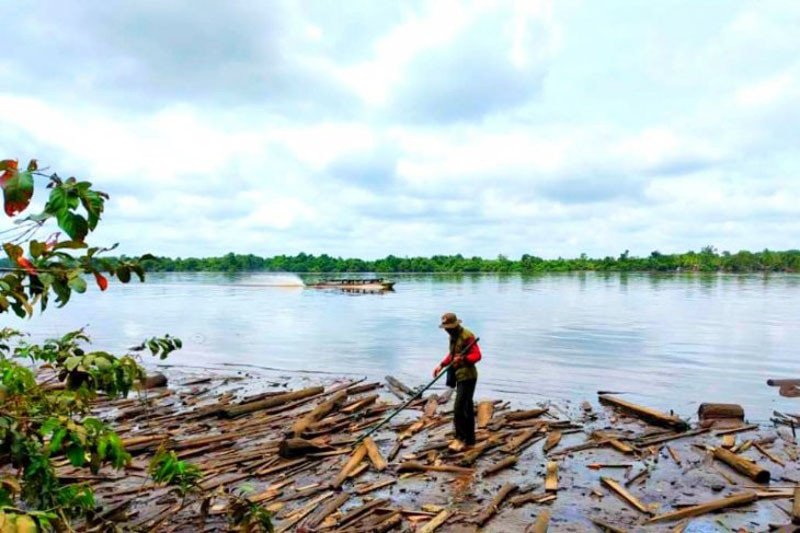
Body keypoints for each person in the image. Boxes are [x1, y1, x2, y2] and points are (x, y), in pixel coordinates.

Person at [432, 312, 482, 450]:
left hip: (468, 377)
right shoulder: (453, 337)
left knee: (459, 408)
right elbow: (452, 355)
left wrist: (463, 359)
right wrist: (441, 365)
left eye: (449, 327)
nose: (447, 330)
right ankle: (470, 440)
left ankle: (460, 439)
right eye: (445, 328)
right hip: (459, 375)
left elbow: (477, 355)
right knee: (467, 407)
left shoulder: (467, 336)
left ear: (455, 325)